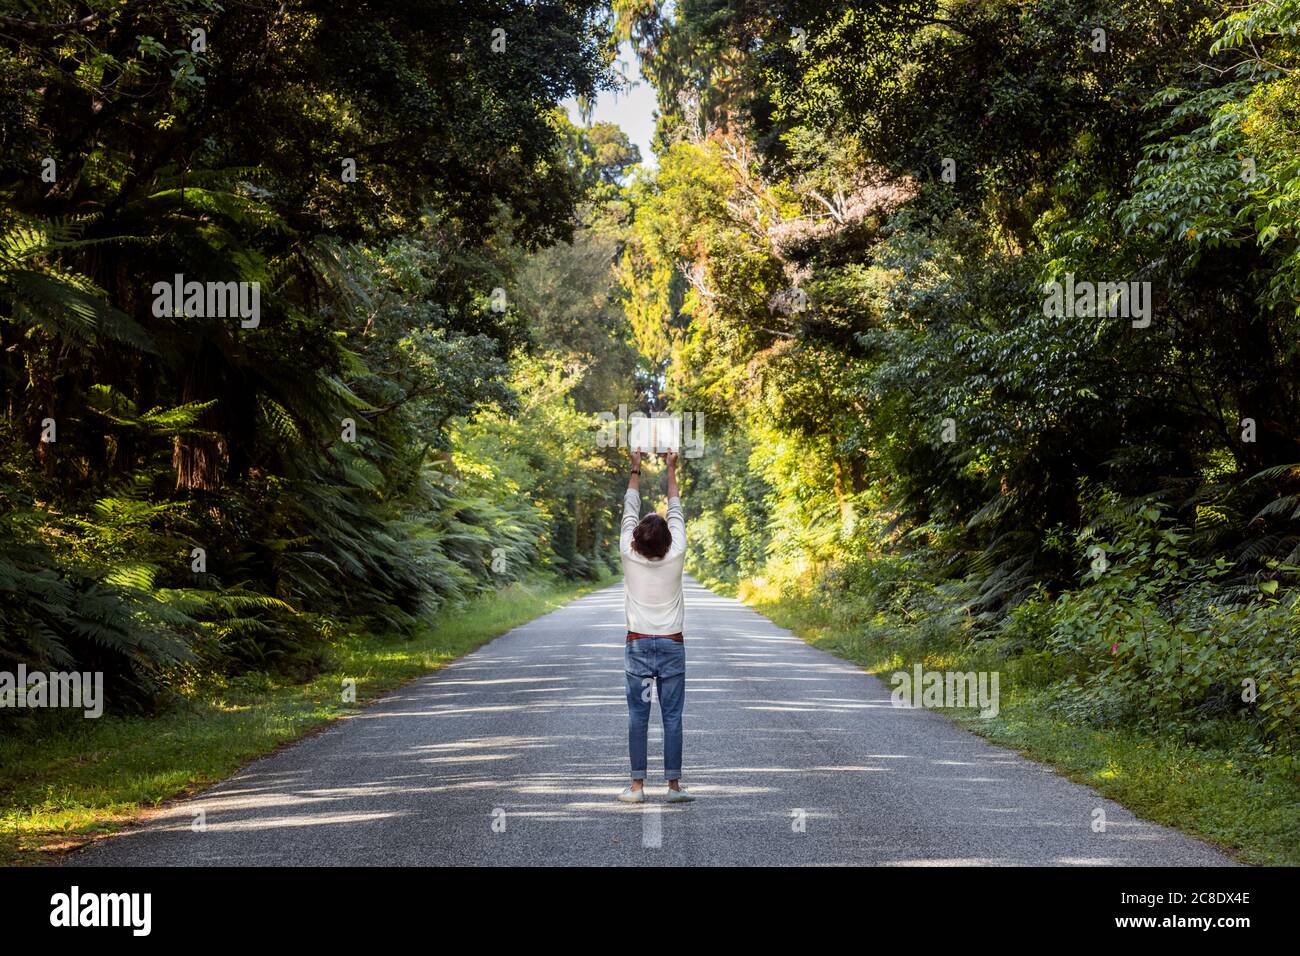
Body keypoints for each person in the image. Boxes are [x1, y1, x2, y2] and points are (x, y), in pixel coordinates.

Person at [616, 444, 693, 803]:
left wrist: (636, 468)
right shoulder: (676, 553)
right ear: (668, 540)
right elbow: (675, 509)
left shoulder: (628, 553)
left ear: (636, 540)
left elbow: (630, 509)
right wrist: (671, 469)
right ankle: (674, 787)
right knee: (672, 717)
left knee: (638, 717)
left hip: (638, 646)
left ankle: (636, 787)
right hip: (672, 646)